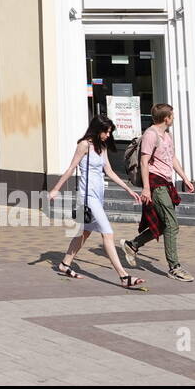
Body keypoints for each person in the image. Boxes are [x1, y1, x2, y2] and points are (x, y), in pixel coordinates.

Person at [48, 115, 147, 289]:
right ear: (97, 129)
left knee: (85, 232)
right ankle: (123, 276)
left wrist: (128, 189)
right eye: (106, 131)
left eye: (110, 132)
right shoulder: (84, 145)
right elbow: (71, 168)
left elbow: (108, 170)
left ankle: (65, 264)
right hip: (87, 198)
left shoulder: (101, 146)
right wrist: (56, 188)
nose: (108, 135)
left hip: (98, 196)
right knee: (107, 233)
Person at [123, 104, 195, 281]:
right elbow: (144, 162)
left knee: (163, 225)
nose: (173, 118)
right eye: (172, 115)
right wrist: (146, 188)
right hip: (156, 184)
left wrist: (184, 178)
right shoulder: (150, 135)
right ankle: (174, 268)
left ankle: (132, 245)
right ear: (166, 118)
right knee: (172, 224)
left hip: (167, 183)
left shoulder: (167, 136)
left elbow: (172, 158)